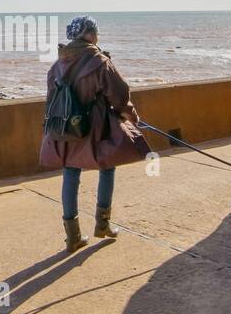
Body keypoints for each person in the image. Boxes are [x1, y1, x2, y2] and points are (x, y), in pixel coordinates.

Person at [39, 15, 150, 252]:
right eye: (96, 32)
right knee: (107, 168)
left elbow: (51, 97)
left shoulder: (58, 64)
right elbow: (120, 94)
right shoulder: (99, 61)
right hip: (96, 127)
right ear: (89, 34)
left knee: (70, 172)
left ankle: (73, 237)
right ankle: (102, 224)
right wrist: (131, 115)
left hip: (67, 127)